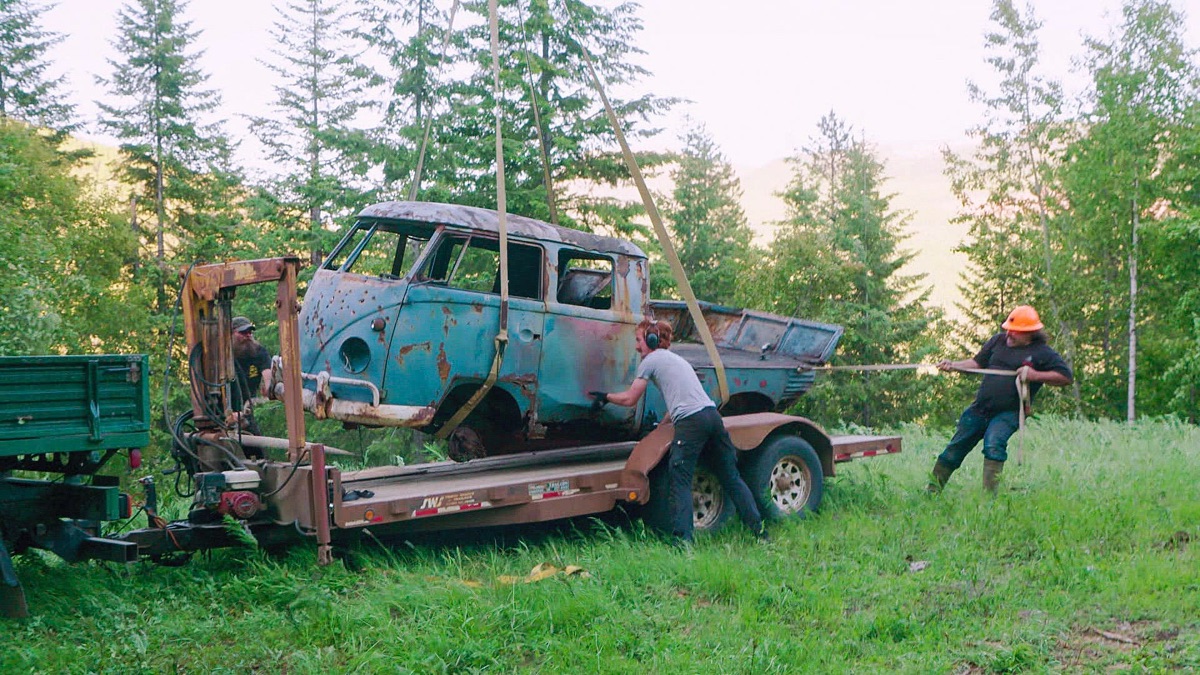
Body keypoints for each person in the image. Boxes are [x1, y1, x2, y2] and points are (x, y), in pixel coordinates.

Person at [593, 319, 767, 544]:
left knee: (680, 480)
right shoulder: (677, 360)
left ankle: (683, 541)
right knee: (731, 477)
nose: (636, 346)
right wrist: (663, 425)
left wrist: (604, 397)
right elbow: (679, 401)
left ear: (651, 339)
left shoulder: (651, 360)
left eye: (638, 340)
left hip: (692, 422)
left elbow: (630, 398)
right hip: (712, 418)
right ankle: (759, 532)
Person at [929, 305, 1073, 493]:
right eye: (1008, 329)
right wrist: (953, 365)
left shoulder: (1042, 352)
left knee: (994, 444)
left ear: (1030, 334)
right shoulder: (997, 341)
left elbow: (1065, 377)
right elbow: (976, 363)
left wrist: (1034, 375)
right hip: (980, 408)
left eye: (1015, 332)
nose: (1009, 334)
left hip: (1009, 412)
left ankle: (990, 499)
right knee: (955, 448)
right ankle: (932, 491)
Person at [230, 316, 273, 435]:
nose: (248, 335)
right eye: (243, 332)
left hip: (247, 410)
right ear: (231, 334)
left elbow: (268, 377)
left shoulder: (258, 352)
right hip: (223, 412)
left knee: (257, 447)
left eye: (249, 332)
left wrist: (269, 390)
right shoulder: (222, 357)